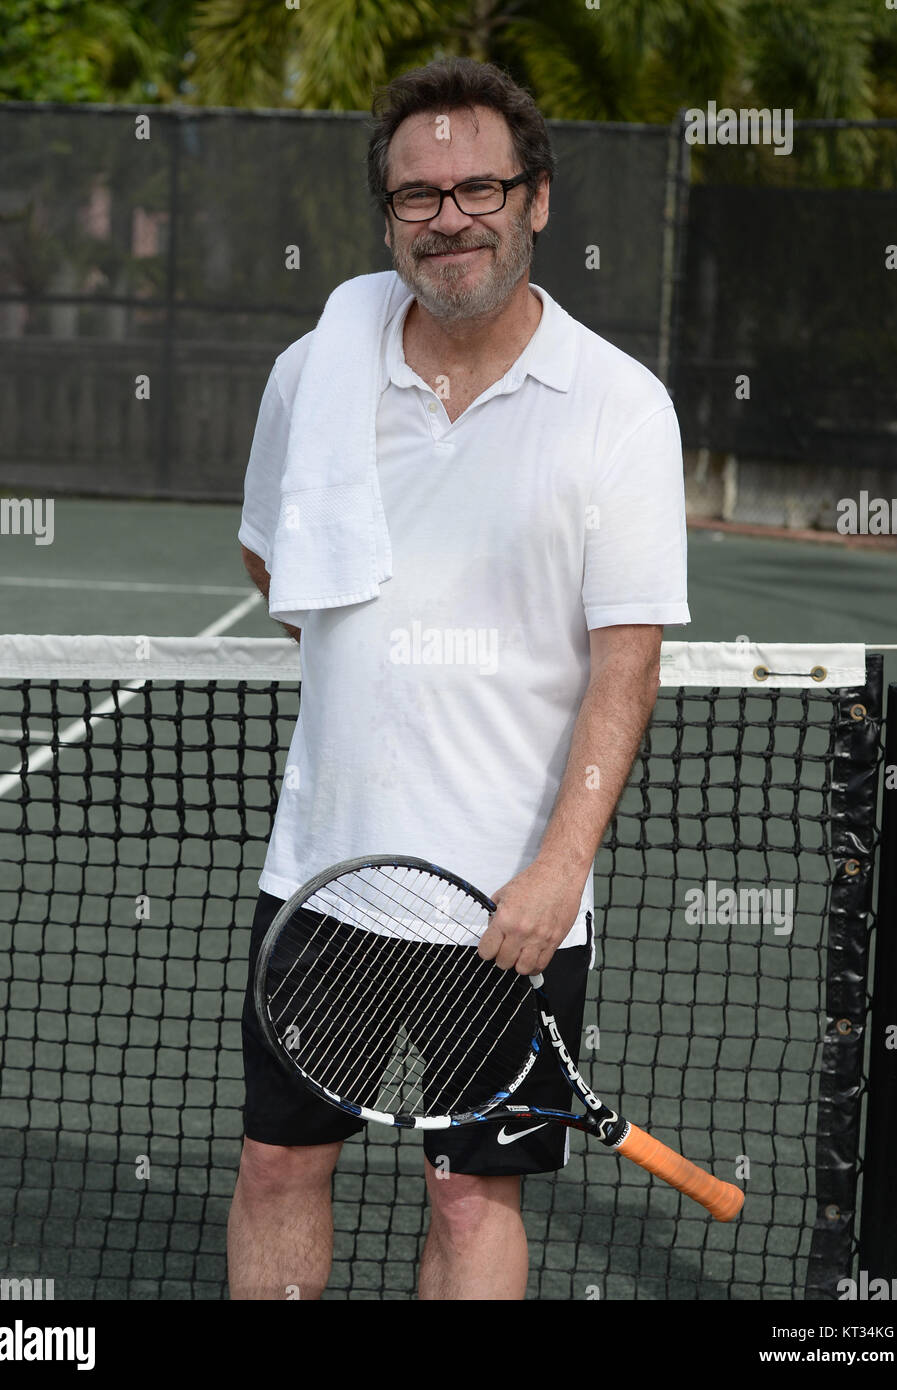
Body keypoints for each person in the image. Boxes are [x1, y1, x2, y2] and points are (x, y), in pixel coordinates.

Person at [231, 56, 689, 1300]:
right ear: (388, 216)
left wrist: (558, 868)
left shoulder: (620, 408)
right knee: (277, 1166)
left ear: (536, 197)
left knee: (468, 1191)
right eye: (416, 195)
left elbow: (626, 663)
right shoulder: (312, 374)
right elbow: (277, 564)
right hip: (322, 881)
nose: (448, 216)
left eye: (478, 185)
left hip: (512, 902)